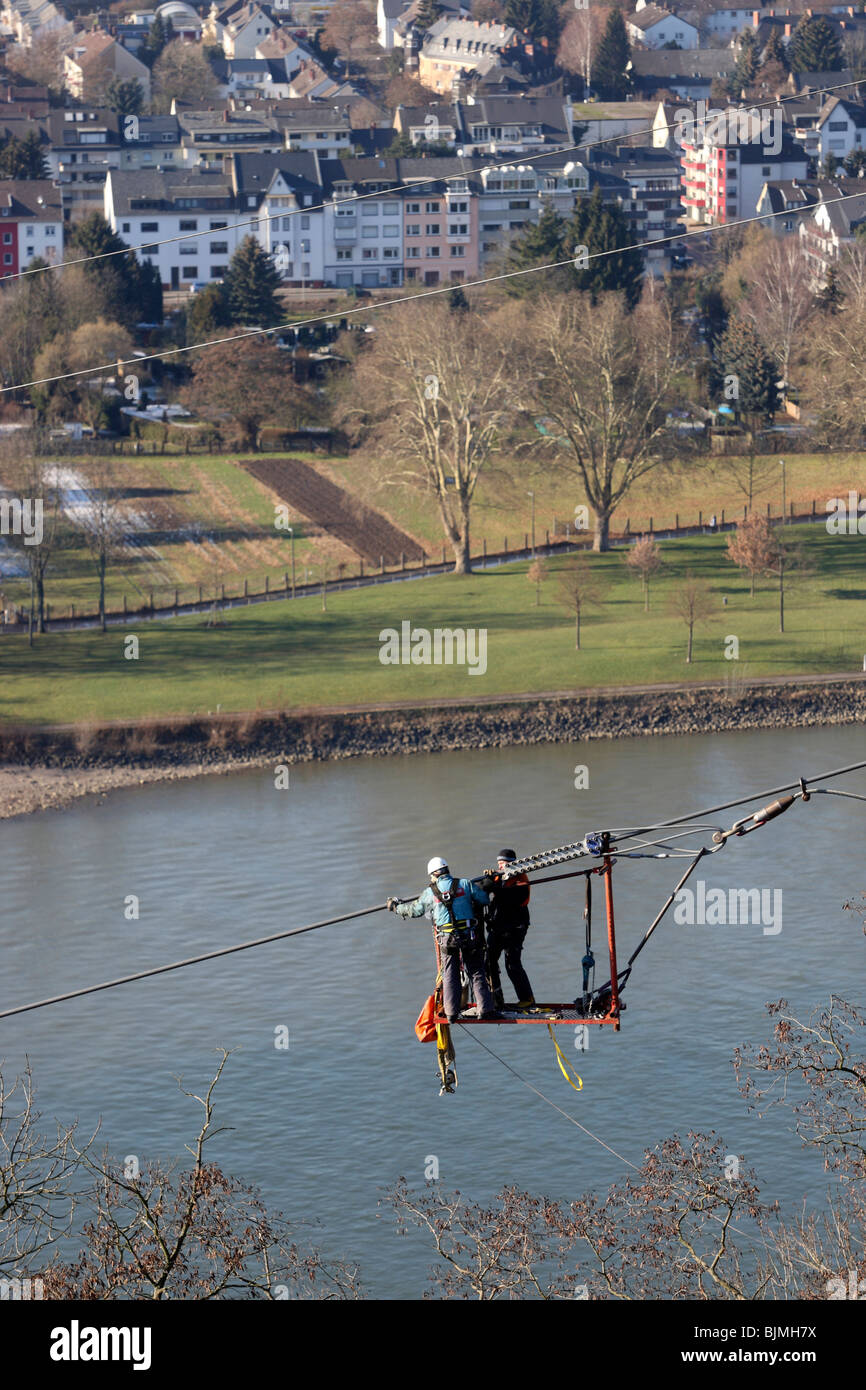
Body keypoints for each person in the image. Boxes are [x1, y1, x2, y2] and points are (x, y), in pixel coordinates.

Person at [389, 857, 499, 1023]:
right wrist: (485, 886)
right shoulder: (465, 884)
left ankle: (451, 1013)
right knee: (476, 971)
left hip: (447, 939)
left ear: (434, 874)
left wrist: (396, 907)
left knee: (450, 974)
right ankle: (485, 1009)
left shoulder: (430, 892)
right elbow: (483, 899)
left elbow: (415, 910)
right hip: (469, 935)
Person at [481, 849, 535, 1010]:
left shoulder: (521, 880)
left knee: (512, 963)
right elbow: (483, 889)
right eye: (498, 864)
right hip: (498, 926)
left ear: (512, 863)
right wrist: (490, 880)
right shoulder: (500, 878)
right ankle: (496, 998)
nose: (500, 866)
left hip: (515, 927)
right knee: (488, 962)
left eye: (503, 863)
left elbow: (510, 898)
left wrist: (495, 884)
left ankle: (527, 999)